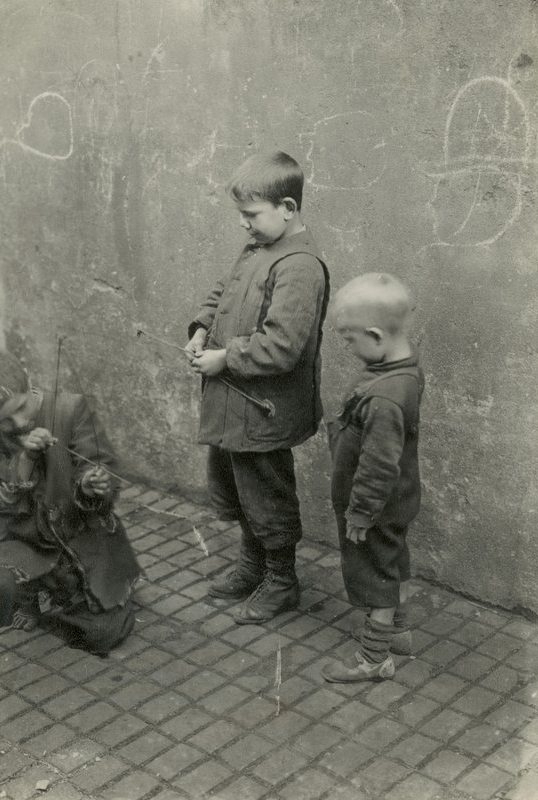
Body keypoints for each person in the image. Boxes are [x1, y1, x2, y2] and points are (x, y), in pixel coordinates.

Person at [185, 150, 329, 624]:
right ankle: (253, 566)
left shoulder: (300, 266)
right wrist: (202, 329)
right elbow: (222, 291)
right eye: (241, 215)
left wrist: (227, 357)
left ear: (288, 208)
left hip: (266, 409)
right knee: (241, 490)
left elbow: (283, 345)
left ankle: (282, 581)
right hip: (235, 404)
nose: (244, 225)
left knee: (268, 496)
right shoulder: (256, 249)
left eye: (251, 215)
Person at [0, 346, 141, 655]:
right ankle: (35, 592)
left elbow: (99, 463)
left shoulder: (71, 409)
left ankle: (80, 592)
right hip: (27, 540)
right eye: (3, 421)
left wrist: (91, 484)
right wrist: (25, 457)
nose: (17, 424)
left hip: (78, 535)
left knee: (100, 636)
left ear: (28, 383)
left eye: (22, 408)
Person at [322, 273, 424, 682]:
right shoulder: (402, 368)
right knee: (391, 562)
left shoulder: (385, 397)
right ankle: (397, 633)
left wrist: (360, 514)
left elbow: (379, 463)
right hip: (395, 498)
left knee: (375, 576)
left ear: (377, 335)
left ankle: (374, 658)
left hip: (375, 506)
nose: (348, 348)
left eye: (349, 340)